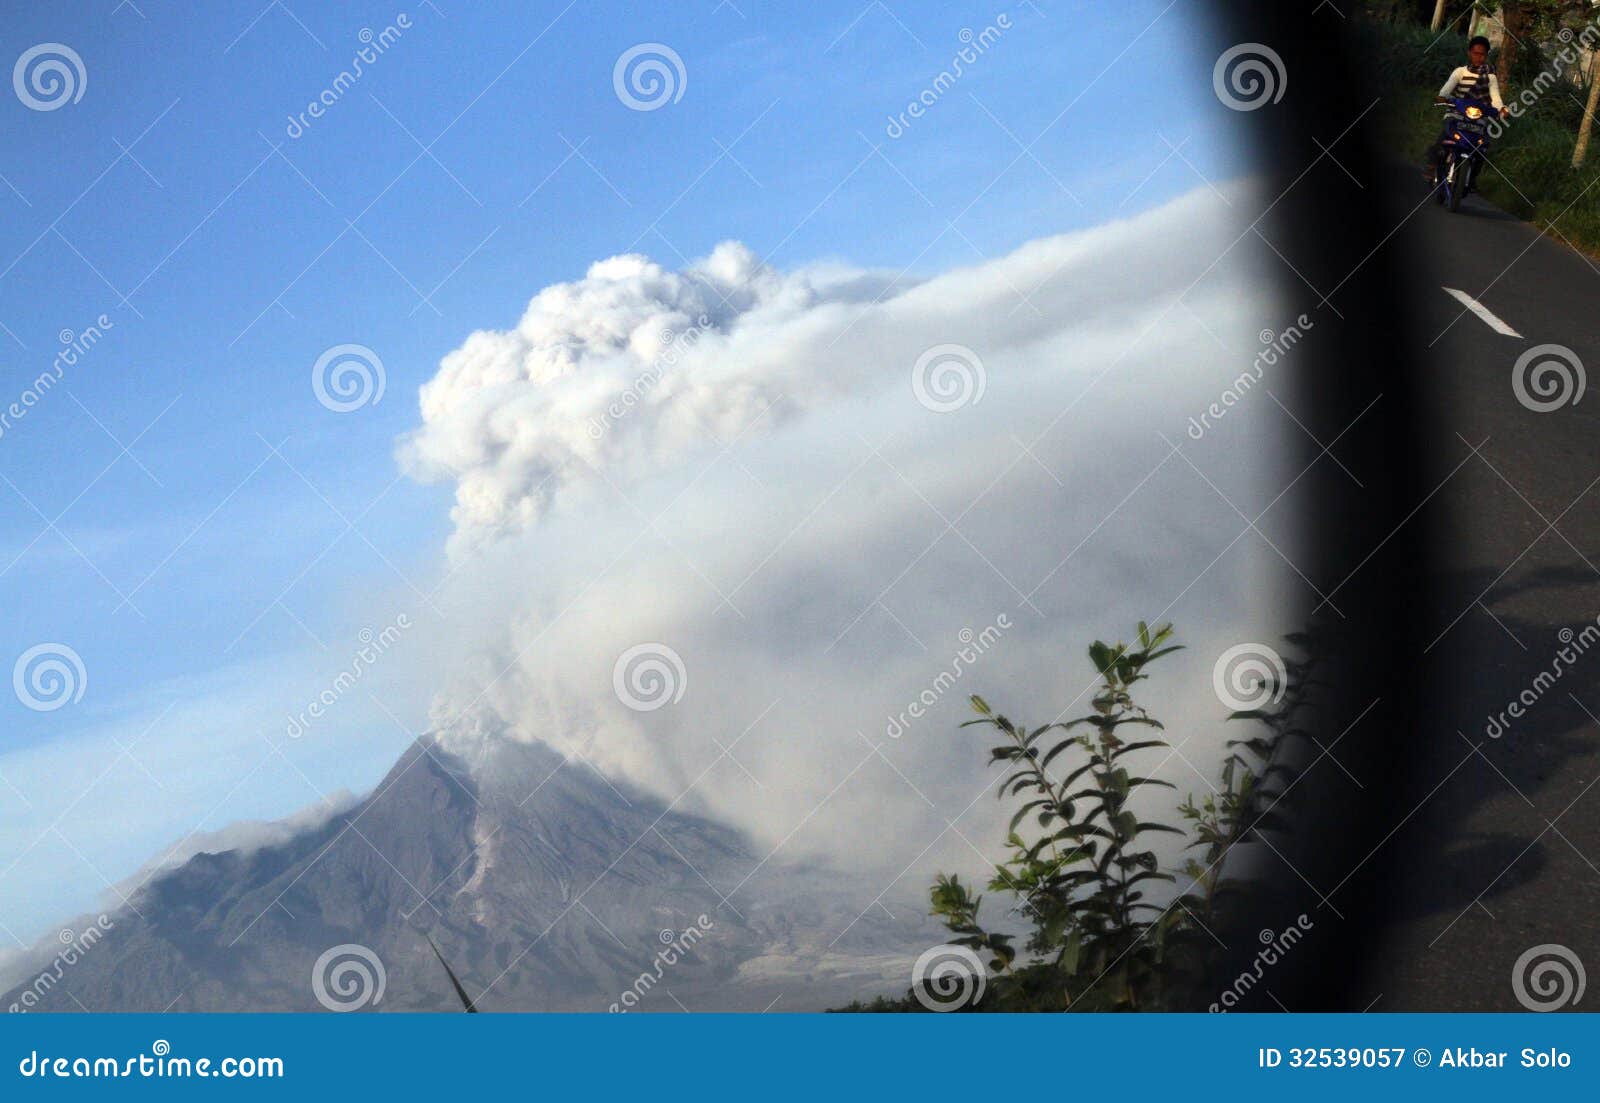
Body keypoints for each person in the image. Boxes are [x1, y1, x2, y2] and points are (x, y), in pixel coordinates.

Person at [1426, 36, 1510, 181]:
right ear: (1469, 53)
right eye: (1476, 53)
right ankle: (1432, 167)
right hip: (1456, 113)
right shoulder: (1460, 72)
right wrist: (1442, 97)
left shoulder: (1490, 76)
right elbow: (1447, 88)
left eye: (1482, 54)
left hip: (1478, 118)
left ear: (1486, 55)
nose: (1479, 57)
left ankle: (1472, 179)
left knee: (1482, 149)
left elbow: (1495, 97)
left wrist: (1501, 109)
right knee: (1443, 138)